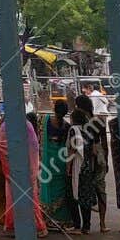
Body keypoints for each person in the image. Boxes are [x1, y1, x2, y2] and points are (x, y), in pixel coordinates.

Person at [0, 109, 47, 236]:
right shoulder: (27, 125)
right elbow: (34, 147)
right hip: (26, 168)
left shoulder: (5, 126)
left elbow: (1, 148)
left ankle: (15, 226)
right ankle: (37, 227)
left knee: (13, 197)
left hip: (13, 168)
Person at [73, 93, 109, 232]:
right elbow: (104, 143)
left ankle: (86, 225)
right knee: (100, 190)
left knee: (84, 191)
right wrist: (106, 160)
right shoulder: (98, 120)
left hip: (86, 162)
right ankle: (102, 223)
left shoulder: (78, 123)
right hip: (99, 160)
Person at [40, 98, 77, 229]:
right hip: (60, 161)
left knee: (46, 185)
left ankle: (46, 217)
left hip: (47, 159)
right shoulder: (67, 126)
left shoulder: (44, 121)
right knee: (59, 187)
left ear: (54, 109)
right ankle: (60, 218)